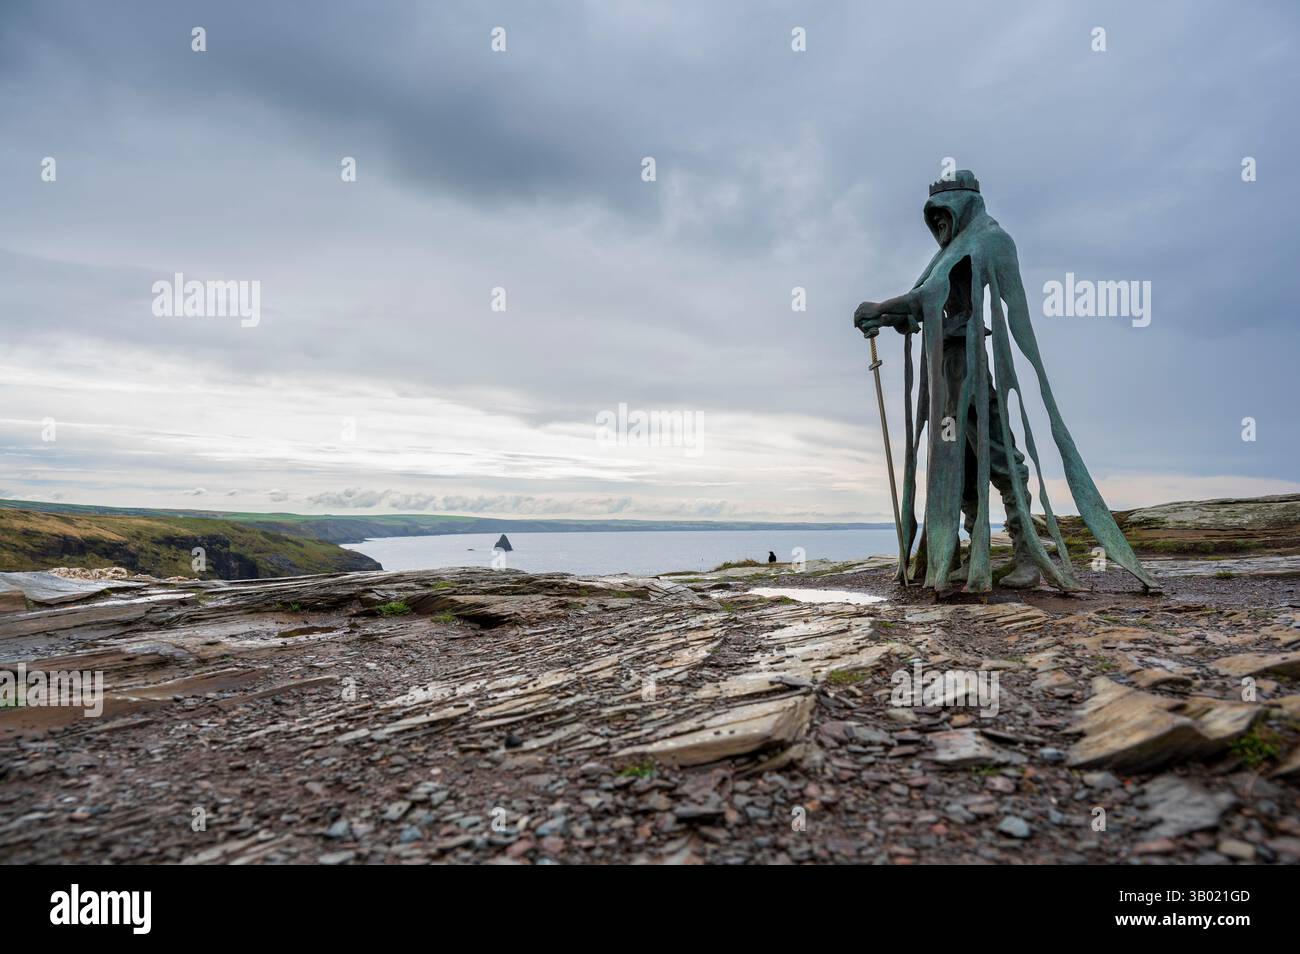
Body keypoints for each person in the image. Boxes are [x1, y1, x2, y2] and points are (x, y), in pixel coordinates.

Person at [852, 170, 1157, 595]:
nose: (939, 225)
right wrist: (886, 317)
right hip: (947, 374)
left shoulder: (990, 239)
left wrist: (881, 306)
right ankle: (967, 551)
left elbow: (929, 296)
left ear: (964, 206)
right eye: (933, 219)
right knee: (960, 466)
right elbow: (923, 305)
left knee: (1000, 459)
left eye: (944, 215)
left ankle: (1026, 558)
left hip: (971, 371)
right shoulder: (947, 252)